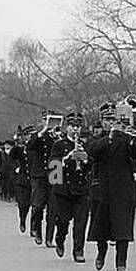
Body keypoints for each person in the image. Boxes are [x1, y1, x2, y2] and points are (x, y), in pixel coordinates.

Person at [85, 103, 136, 271]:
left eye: (114, 120)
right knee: (101, 225)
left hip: (123, 188)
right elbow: (93, 151)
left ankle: (121, 262)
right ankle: (101, 251)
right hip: (102, 188)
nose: (111, 123)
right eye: (108, 120)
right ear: (102, 121)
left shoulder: (126, 137)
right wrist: (110, 137)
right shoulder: (97, 138)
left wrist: (129, 137)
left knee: (123, 226)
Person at [48, 112, 92, 262]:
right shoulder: (58, 145)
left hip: (81, 189)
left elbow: (90, 168)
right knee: (63, 220)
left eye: (78, 127)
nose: (75, 130)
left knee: (81, 223)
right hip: (63, 190)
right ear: (67, 127)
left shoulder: (85, 145)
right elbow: (53, 169)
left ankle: (78, 251)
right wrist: (67, 158)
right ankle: (59, 240)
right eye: (73, 126)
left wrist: (85, 160)